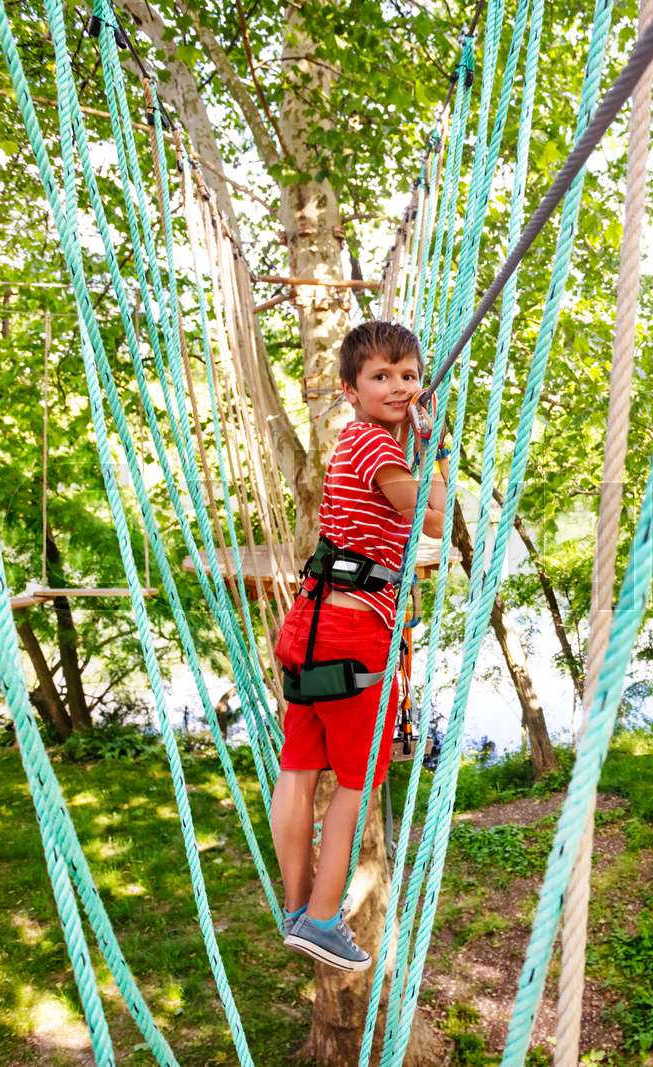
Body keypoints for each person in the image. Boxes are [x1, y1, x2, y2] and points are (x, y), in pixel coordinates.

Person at [270, 320, 446, 970]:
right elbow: (430, 513)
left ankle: (296, 905)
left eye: (408, 374)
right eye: (382, 376)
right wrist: (437, 448)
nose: (399, 386)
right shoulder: (379, 448)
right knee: (354, 785)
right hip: (353, 634)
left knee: (297, 768)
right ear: (351, 388)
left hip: (308, 624)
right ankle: (320, 917)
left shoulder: (351, 443)